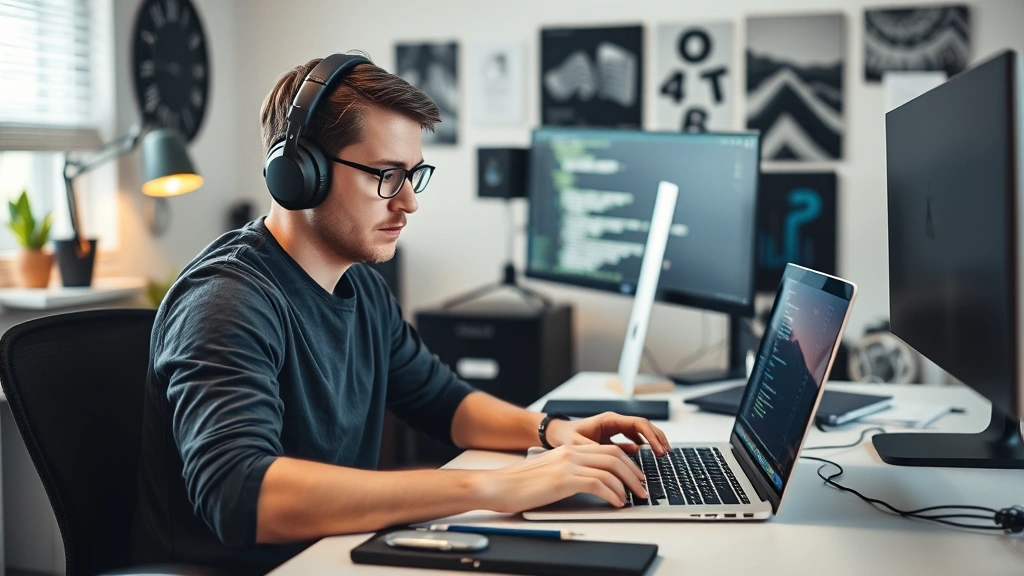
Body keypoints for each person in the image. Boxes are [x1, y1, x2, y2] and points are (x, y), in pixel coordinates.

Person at [131, 54, 669, 575]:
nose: (409, 202)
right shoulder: (227, 302)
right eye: (386, 175)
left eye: (414, 174)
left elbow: (441, 400)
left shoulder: (361, 286)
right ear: (299, 172)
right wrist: (496, 486)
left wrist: (554, 430)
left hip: (337, 554)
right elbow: (241, 495)